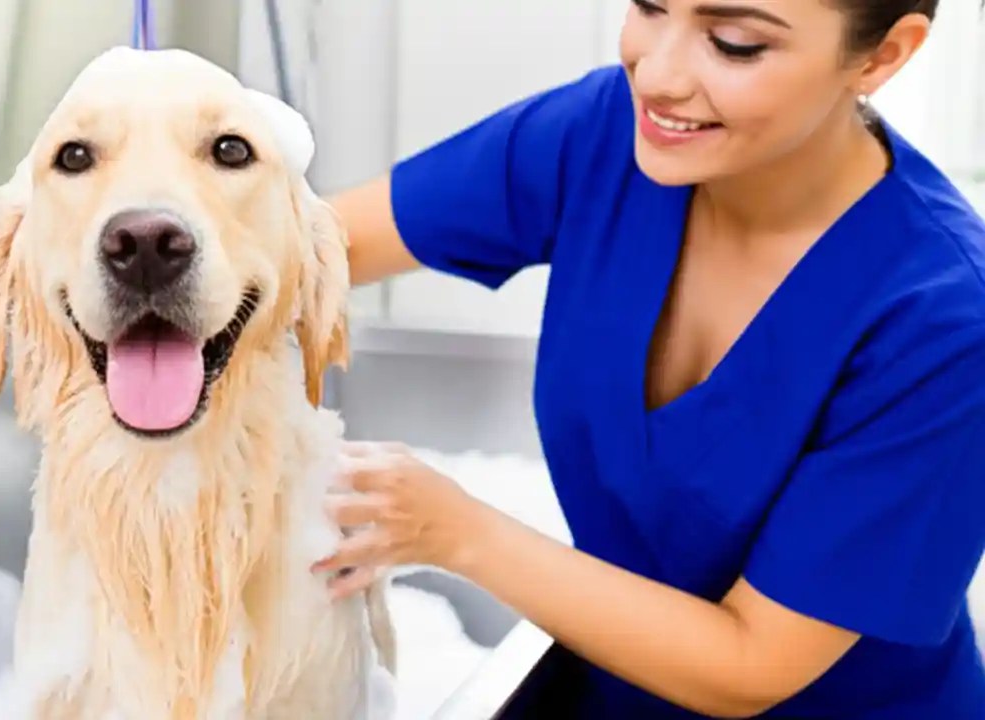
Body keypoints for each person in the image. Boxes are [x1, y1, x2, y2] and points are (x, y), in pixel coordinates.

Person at [309, 1, 985, 718]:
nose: (656, 73)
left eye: (735, 44)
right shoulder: (602, 134)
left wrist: (455, 530)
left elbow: (750, 665)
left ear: (883, 56)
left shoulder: (940, 321)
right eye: (650, 5)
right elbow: (309, 250)